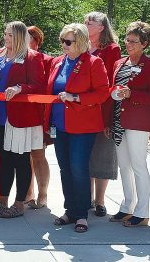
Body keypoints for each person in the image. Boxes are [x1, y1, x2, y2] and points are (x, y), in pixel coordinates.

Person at [47, 23, 110, 233]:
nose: (63, 45)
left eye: (68, 41)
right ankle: (70, 211)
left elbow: (102, 93)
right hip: (59, 125)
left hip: (82, 126)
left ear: (81, 41)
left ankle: (82, 214)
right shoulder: (58, 62)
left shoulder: (93, 62)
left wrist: (76, 97)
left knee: (78, 169)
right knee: (65, 169)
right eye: (62, 40)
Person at [0, 21, 47, 219]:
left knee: (20, 160)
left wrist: (20, 88)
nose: (6, 37)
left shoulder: (32, 57)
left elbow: (39, 85)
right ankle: (2, 202)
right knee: (4, 160)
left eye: (10, 35)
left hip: (18, 116)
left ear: (21, 37)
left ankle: (19, 203)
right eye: (5, 34)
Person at [107, 21, 150, 228]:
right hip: (118, 120)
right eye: (126, 39)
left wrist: (132, 94)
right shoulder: (119, 63)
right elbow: (113, 89)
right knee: (124, 166)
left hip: (138, 122)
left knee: (139, 166)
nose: (128, 44)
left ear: (145, 43)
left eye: (133, 41)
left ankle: (142, 212)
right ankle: (127, 206)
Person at [84, 11, 121, 217]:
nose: (87, 25)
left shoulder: (112, 49)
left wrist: (108, 117)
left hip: (103, 108)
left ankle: (100, 200)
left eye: (91, 23)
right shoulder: (81, 45)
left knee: (103, 155)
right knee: (86, 156)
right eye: (85, 22)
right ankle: (87, 198)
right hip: (83, 110)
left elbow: (109, 82)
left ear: (102, 27)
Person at [25, 25, 51, 209]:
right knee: (23, 157)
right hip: (19, 116)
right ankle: (28, 194)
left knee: (39, 155)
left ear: (37, 41)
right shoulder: (16, 59)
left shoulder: (46, 60)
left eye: (29, 38)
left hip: (39, 115)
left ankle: (42, 194)